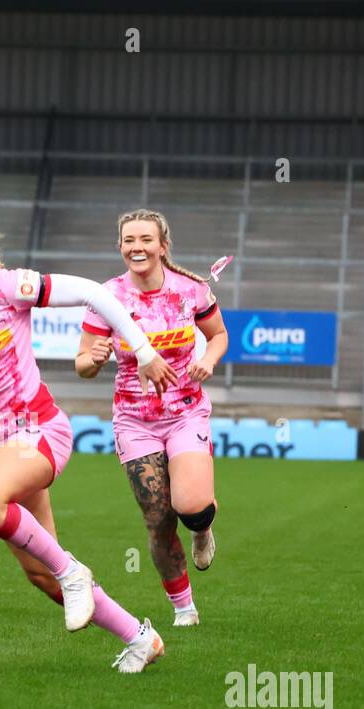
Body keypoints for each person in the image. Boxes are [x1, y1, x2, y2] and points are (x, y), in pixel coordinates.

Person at [0, 192, 178, 674]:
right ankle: (141, 637)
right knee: (41, 574)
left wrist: (143, 351)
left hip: (37, 429)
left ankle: (73, 570)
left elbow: (95, 293)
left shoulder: (4, 286)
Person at [76, 209, 229, 627]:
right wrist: (93, 358)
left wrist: (209, 361)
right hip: (134, 421)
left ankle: (202, 529)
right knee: (158, 520)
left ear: (163, 246)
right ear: (120, 246)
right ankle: (184, 608)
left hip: (185, 412)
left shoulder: (192, 290)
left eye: (145, 239)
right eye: (128, 240)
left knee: (191, 506)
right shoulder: (106, 297)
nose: (136, 247)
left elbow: (218, 335)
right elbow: (82, 364)